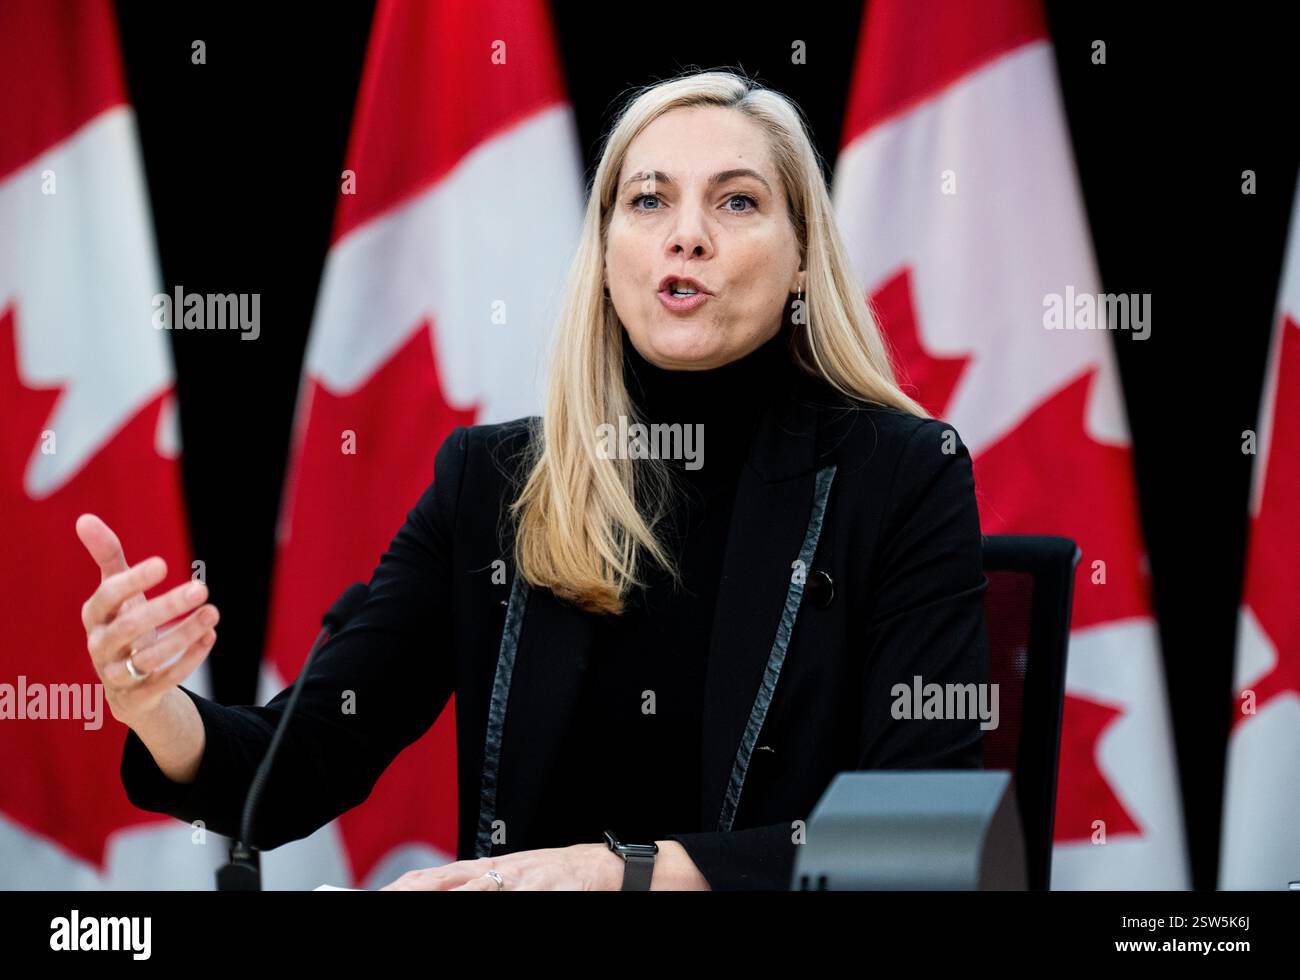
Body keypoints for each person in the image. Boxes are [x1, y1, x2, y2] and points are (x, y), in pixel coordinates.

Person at [77, 68, 989, 890]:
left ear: (801, 260)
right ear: (603, 255)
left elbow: (913, 842)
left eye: (738, 203)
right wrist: (156, 709)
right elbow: (292, 767)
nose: (688, 237)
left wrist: (618, 875)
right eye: (648, 201)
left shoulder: (901, 476)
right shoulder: (494, 483)